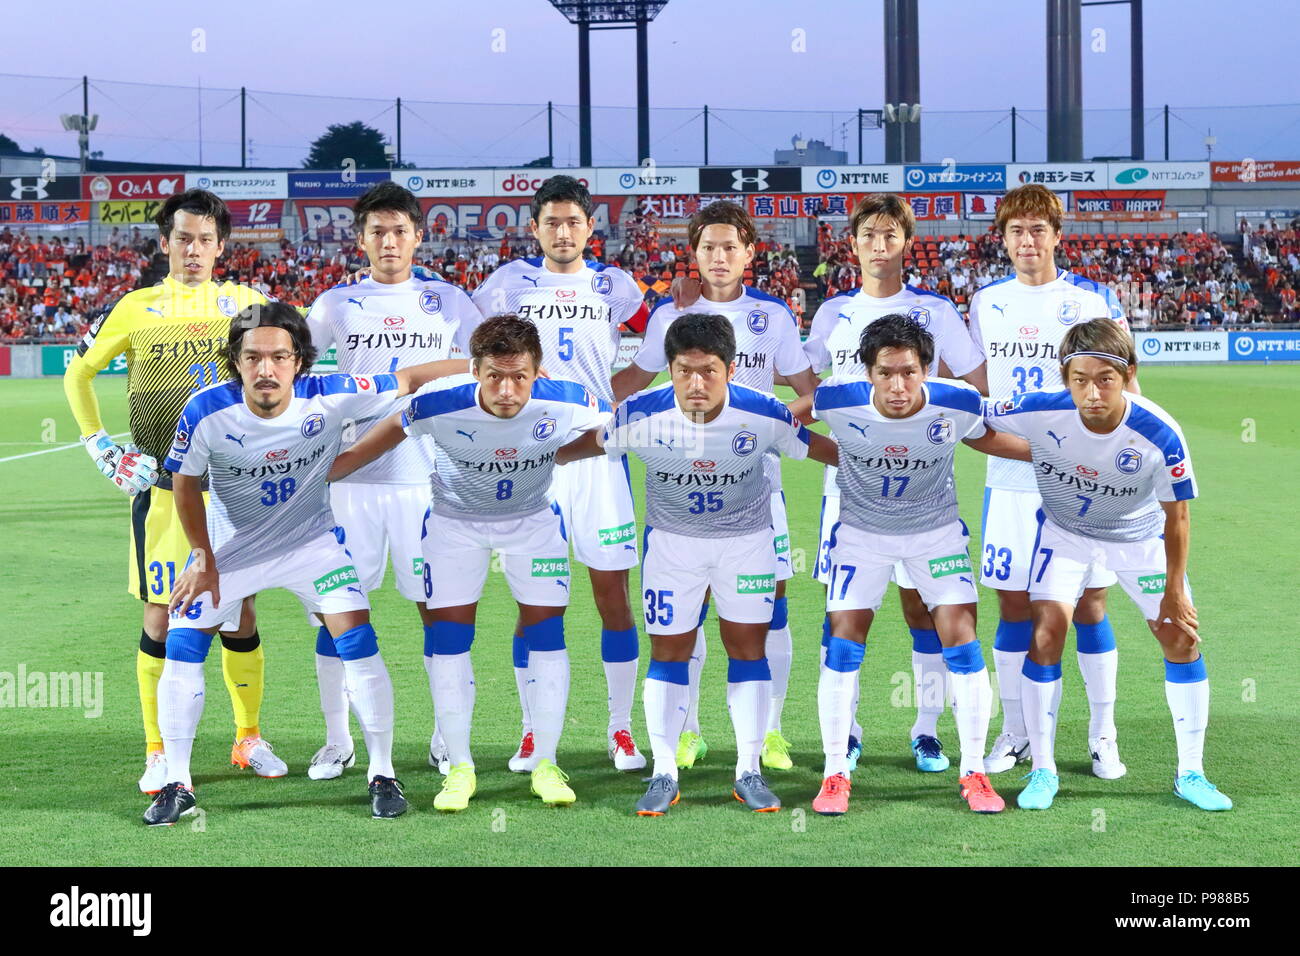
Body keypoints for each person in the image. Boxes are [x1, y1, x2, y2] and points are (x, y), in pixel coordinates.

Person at [146, 302, 456, 825]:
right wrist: (201, 556)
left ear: (299, 362)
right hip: (232, 550)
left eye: (279, 357)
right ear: (236, 362)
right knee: (182, 643)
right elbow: (185, 483)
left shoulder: (333, 395)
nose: (266, 369)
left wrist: (480, 363)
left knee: (357, 640)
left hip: (312, 545)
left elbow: (408, 378)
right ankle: (177, 782)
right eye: (253, 358)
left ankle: (382, 772)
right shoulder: (205, 411)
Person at [329, 315, 610, 810]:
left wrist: (565, 455)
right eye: (494, 376)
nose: (507, 390)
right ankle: (460, 767)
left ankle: (545, 762)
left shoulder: (566, 399)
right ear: (475, 371)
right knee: (450, 640)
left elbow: (614, 433)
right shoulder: (438, 404)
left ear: (537, 371)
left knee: (548, 636)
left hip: (533, 524)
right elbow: (386, 432)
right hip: (454, 526)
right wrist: (321, 476)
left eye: (519, 376)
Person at [564, 312, 836, 814]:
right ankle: (664, 771)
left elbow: (821, 449)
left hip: (747, 545)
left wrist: (890, 459)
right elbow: (588, 445)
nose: (695, 383)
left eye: (708, 370)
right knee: (669, 653)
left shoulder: (764, 413)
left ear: (730, 370)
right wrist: (540, 457)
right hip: (672, 548)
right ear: (669, 369)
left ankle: (747, 770)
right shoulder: (639, 414)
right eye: (684, 370)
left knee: (748, 652)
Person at [63, 189, 276, 795]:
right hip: (162, 489)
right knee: (162, 612)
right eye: (183, 238)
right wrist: (98, 443)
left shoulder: (247, 305)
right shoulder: (135, 307)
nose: (194, 250)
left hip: (237, 490)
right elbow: (79, 374)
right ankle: (157, 750)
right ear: (165, 243)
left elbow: (289, 368)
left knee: (240, 612)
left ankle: (248, 737)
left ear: (221, 246)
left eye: (206, 239)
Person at [984, 319, 1231, 812]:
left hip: (1138, 541)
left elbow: (1177, 516)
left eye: (1105, 380)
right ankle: (1042, 769)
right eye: (1079, 380)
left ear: (1129, 375)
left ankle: (1191, 773)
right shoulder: (1039, 409)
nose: (1091, 393)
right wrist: (1040, 455)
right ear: (1064, 377)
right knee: (1046, 633)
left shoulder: (1160, 434)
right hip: (1066, 535)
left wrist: (1175, 590)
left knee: (1179, 637)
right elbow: (974, 423)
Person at [612, 200, 820, 773]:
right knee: (690, 609)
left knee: (769, 608)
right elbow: (634, 381)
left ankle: (770, 733)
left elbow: (809, 388)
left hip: (757, 487)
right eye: (708, 247)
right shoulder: (667, 316)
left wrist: (772, 427)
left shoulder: (773, 315)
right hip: (682, 489)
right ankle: (690, 732)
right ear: (695, 253)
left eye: (731, 246)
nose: (720, 257)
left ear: (750, 252)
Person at [803, 315, 1029, 816]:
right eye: (885, 373)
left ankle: (974, 771)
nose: (897, 385)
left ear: (926, 369)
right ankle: (835, 772)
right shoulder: (837, 398)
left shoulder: (958, 401)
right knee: (842, 644)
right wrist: (844, 456)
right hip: (862, 536)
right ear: (868, 372)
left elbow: (986, 436)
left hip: (936, 535)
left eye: (908, 372)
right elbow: (783, 422)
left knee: (963, 644)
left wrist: (1054, 456)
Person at [465, 176, 650, 774]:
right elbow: (477, 355)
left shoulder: (617, 286)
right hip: (533, 456)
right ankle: (531, 731)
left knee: (612, 596)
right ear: (536, 227)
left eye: (573, 222)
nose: (563, 232)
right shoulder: (505, 285)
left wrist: (615, 407)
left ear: (589, 228)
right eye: (552, 222)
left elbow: (656, 346)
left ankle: (620, 730)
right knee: (534, 601)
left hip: (598, 457)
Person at [802, 193, 989, 775]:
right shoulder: (832, 312)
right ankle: (848, 733)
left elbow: (976, 387)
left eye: (890, 235)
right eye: (868, 235)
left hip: (923, 490)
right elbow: (816, 396)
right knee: (844, 616)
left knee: (921, 609)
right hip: (850, 491)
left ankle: (926, 730)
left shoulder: (936, 310)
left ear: (907, 242)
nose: (878, 246)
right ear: (852, 243)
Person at [303, 181, 476, 780]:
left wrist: (411, 375)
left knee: (439, 609)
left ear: (418, 236)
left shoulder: (449, 300)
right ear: (359, 239)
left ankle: (446, 738)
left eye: (400, 230)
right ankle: (337, 740)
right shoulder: (335, 304)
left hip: (428, 482)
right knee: (338, 609)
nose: (389, 241)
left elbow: (489, 361)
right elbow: (293, 366)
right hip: (349, 483)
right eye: (377, 231)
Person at [966, 183, 1136, 779]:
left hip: (1081, 481)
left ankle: (1102, 736)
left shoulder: (1092, 299)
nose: (1027, 240)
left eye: (1038, 229)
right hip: (1010, 476)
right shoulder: (986, 303)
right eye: (1016, 231)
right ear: (1004, 239)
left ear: (1057, 236)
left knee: (1089, 605)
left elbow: (1127, 392)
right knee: (1015, 606)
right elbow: (976, 389)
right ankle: (1015, 734)